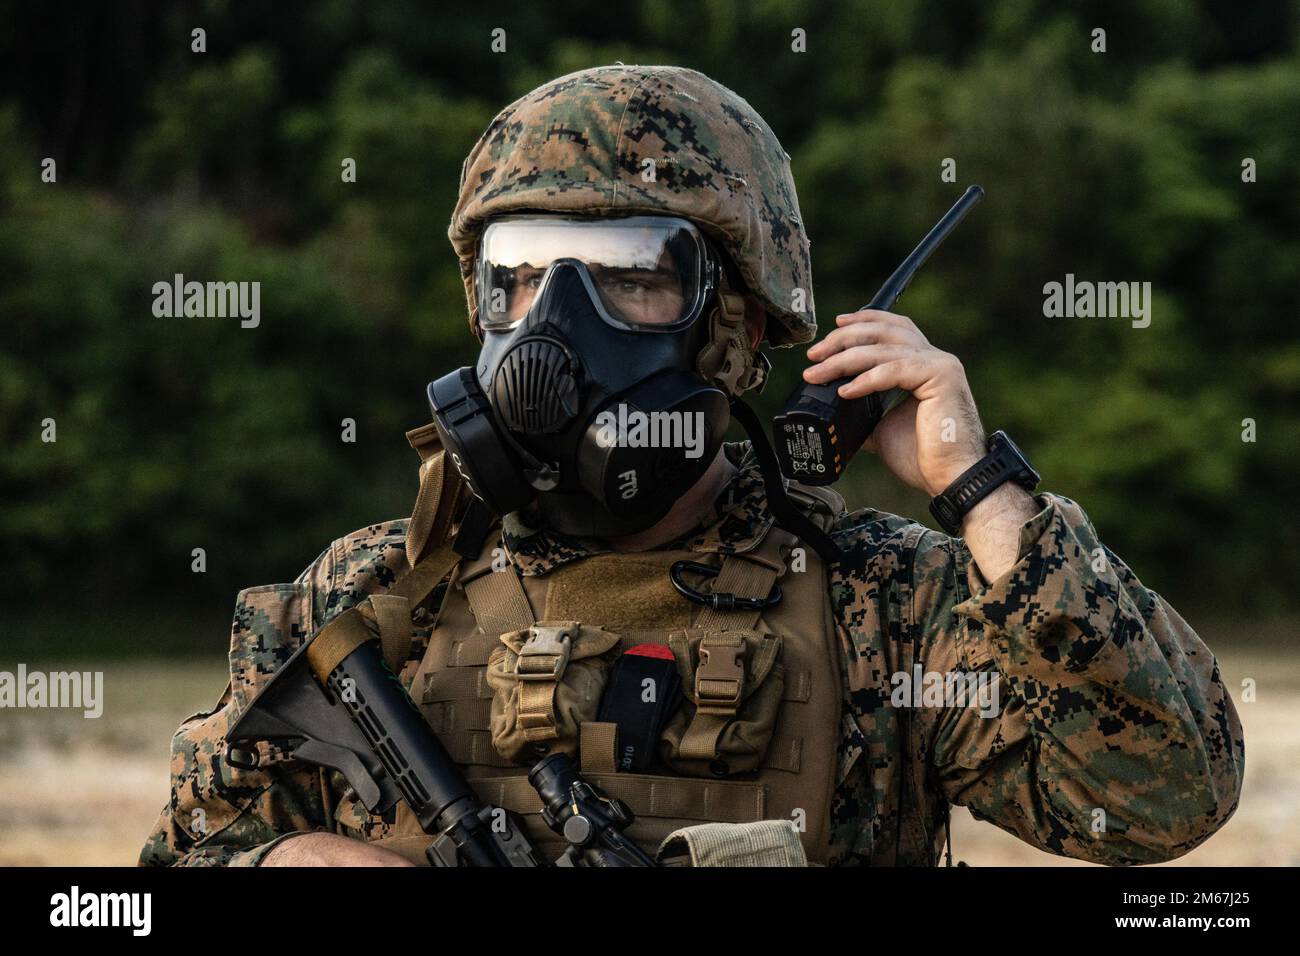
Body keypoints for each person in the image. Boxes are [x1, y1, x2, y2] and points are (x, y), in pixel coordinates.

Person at [140, 65, 1243, 868]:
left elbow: (1164, 791)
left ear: (738, 325)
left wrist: (978, 489)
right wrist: (282, 867)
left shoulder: (885, 603)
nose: (552, 330)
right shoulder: (366, 597)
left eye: (628, 274)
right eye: (517, 275)